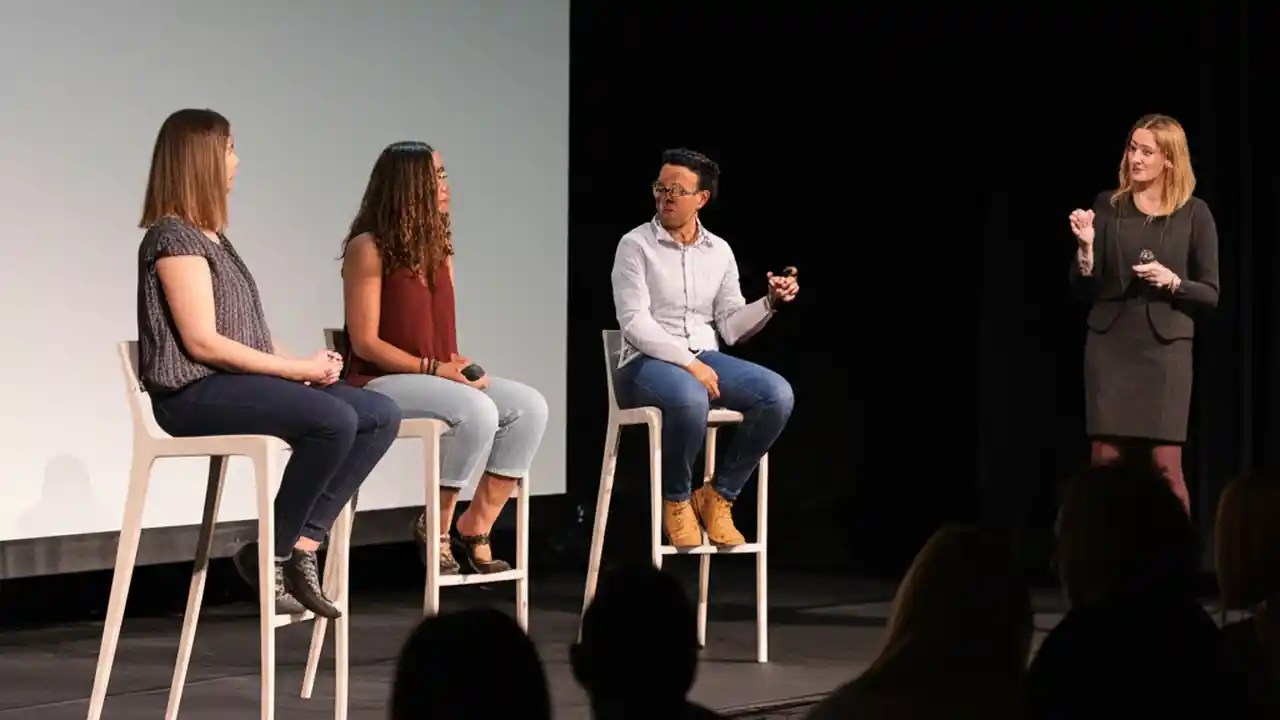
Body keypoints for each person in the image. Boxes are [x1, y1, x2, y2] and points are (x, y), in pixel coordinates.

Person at [136, 109, 402, 619]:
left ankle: (301, 543)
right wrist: (290, 372)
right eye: (230, 149)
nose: (238, 160)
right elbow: (203, 343)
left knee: (378, 414)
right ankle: (271, 552)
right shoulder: (173, 239)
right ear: (201, 160)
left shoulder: (214, 238)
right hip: (193, 394)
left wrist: (303, 361)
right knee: (333, 420)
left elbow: (247, 332)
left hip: (233, 383)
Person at [341, 141, 548, 575]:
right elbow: (365, 344)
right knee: (475, 411)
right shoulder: (368, 248)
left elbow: (438, 335)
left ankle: (476, 526)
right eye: (435, 176)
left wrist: (458, 364)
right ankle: (436, 528)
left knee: (528, 406)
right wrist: (437, 369)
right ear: (409, 185)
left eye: (443, 174)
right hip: (379, 380)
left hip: (433, 374)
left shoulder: (439, 250)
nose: (445, 185)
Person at [610, 148, 797, 548]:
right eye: (660, 188)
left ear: (702, 198)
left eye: (677, 190)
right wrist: (690, 364)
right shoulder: (635, 245)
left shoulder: (719, 251)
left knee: (776, 395)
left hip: (703, 357)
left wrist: (769, 302)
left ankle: (718, 496)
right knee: (689, 397)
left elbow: (729, 326)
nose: (666, 197)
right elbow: (635, 322)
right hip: (644, 364)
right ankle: (676, 500)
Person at [1068, 113, 1219, 512]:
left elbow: (1210, 294)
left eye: (1146, 151)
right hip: (1110, 346)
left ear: (1169, 159)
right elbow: (1084, 287)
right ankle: (1096, 561)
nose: (1135, 158)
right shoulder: (1108, 206)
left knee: (1165, 468)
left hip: (1164, 352)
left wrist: (1173, 282)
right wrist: (1086, 248)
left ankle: (1176, 566)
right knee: (1104, 462)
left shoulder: (1194, 213)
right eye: (1132, 148)